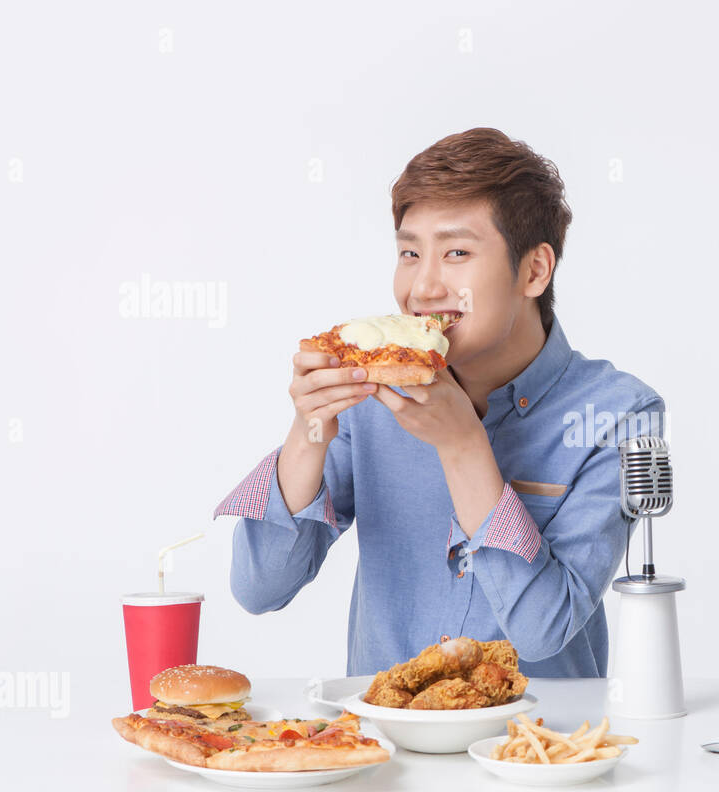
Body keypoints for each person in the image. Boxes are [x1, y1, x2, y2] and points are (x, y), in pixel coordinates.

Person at [213, 128, 666, 678]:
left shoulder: (617, 414)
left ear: (534, 270)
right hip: (386, 749)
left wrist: (462, 446)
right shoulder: (371, 392)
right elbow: (260, 589)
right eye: (409, 252)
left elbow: (544, 629)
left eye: (456, 252)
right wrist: (307, 433)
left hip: (537, 750)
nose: (422, 288)